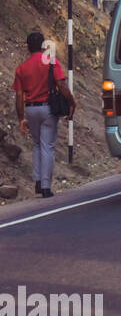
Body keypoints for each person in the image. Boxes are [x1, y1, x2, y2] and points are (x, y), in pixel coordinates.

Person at [12, 32, 76, 198]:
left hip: (31, 109)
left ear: (27, 47)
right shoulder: (51, 63)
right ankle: (46, 186)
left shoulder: (22, 68)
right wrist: (71, 101)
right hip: (47, 109)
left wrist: (21, 118)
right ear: (43, 46)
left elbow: (19, 96)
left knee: (37, 144)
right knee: (47, 145)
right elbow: (61, 84)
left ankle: (38, 181)